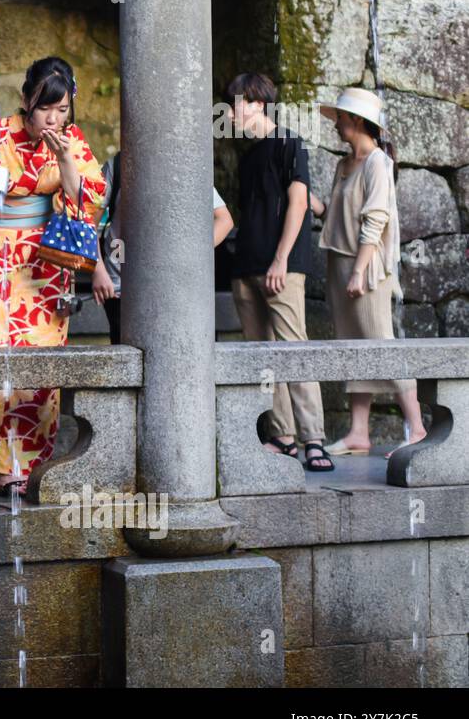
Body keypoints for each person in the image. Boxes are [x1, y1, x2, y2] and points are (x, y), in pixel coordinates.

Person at [0, 56, 105, 496]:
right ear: (25, 100)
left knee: (43, 358)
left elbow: (88, 199)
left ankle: (36, 459)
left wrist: (65, 159)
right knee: (0, 351)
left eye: (62, 109)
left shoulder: (72, 140)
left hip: (47, 258)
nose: (53, 119)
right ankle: (6, 463)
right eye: (44, 108)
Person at [311, 87, 426, 463]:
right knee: (351, 345)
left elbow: (375, 221)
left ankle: (417, 428)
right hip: (340, 264)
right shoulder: (344, 164)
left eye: (341, 118)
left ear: (357, 121)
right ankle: (359, 432)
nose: (336, 124)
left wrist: (359, 272)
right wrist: (308, 199)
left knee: (381, 344)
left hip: (367, 268)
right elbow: (336, 214)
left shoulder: (378, 163)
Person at [225, 72, 329, 471]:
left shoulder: (289, 142)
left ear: (258, 104)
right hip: (246, 267)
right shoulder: (249, 156)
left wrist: (281, 259)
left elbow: (299, 203)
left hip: (280, 267)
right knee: (263, 358)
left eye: (236, 104)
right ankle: (283, 436)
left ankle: (313, 439)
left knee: (294, 350)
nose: (230, 113)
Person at [91, 151, 233, 343]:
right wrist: (98, 269)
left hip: (176, 286)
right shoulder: (118, 165)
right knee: (126, 349)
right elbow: (89, 223)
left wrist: (191, 256)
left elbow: (224, 220)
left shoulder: (185, 164)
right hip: (120, 284)